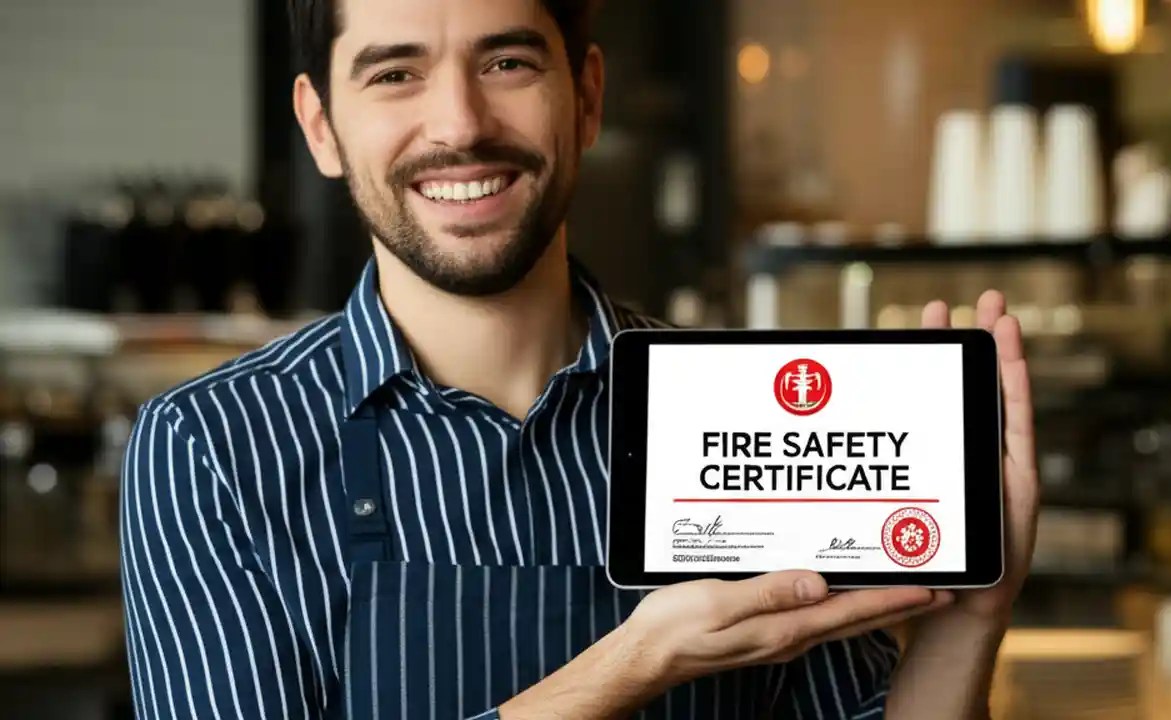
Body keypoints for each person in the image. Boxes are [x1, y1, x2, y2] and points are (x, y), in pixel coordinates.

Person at [118, 0, 1040, 717]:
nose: (460, 123)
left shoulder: (735, 412)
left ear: (587, 96)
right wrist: (633, 664)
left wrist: (968, 621)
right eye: (396, 73)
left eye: (506, 60)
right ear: (320, 126)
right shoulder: (213, 447)